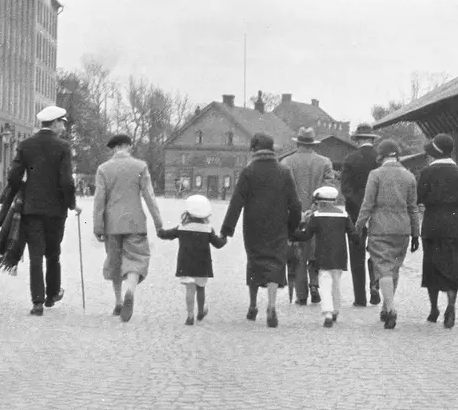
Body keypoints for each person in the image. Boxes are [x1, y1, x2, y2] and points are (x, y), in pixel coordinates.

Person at [1, 105, 80, 316]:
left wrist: (23, 191)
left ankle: (37, 302)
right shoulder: (63, 147)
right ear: (54, 123)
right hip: (56, 211)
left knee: (35, 254)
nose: (63, 127)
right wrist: (71, 203)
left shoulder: (26, 145)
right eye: (62, 123)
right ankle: (52, 294)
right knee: (53, 253)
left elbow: (13, 175)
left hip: (31, 208)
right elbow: (66, 180)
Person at [220, 132, 302, 328]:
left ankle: (253, 305)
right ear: (272, 149)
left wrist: (226, 231)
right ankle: (272, 305)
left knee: (254, 262)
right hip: (278, 224)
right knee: (275, 262)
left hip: (253, 225)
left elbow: (236, 203)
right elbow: (296, 204)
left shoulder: (248, 172)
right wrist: (292, 228)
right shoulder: (284, 172)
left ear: (253, 149)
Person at [92, 132, 165, 322]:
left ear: (114, 148)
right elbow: (149, 196)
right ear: (128, 146)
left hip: (112, 224)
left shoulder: (103, 169)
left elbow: (99, 200)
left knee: (114, 261)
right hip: (135, 221)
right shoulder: (140, 166)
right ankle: (130, 292)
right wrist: (158, 223)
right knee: (136, 259)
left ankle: (117, 302)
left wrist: (98, 227)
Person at [355, 139, 420, 330]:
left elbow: (367, 205)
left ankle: (390, 309)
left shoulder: (375, 175)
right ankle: (385, 307)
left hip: (380, 228)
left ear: (380, 156)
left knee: (383, 268)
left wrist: (358, 228)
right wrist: (416, 233)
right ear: (398, 155)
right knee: (394, 269)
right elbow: (413, 208)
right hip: (403, 230)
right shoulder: (409, 177)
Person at [416, 133, 458, 329]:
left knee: (432, 265)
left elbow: (418, 197)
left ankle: (433, 308)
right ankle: (451, 305)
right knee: (453, 266)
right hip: (454, 225)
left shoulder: (426, 172)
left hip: (432, 224)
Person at [280, 127, 336, 305]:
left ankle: (301, 295)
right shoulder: (325, 162)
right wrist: (313, 207)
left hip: (294, 214)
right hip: (319, 212)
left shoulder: (286, 162)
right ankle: (314, 284)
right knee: (315, 251)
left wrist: (297, 211)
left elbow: (284, 192)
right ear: (313, 143)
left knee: (298, 255)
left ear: (298, 142)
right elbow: (329, 189)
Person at [156, 194, 228, 325]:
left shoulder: (182, 228)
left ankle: (190, 315)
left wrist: (159, 230)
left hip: (186, 263)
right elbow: (218, 244)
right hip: (202, 265)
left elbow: (165, 235)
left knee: (190, 290)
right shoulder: (208, 229)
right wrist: (224, 237)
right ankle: (200, 311)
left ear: (187, 213)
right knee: (201, 288)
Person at [290, 185, 353, 328]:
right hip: (340, 256)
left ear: (321, 202)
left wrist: (292, 233)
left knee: (325, 282)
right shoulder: (343, 215)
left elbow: (306, 236)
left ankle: (328, 312)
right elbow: (353, 234)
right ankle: (336, 310)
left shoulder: (316, 216)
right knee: (336, 282)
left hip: (323, 255)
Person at [339, 121, 381, 308]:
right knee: (379, 252)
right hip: (378, 213)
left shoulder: (350, 159)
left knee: (356, 256)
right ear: (371, 139)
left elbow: (345, 188)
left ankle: (360, 298)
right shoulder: (380, 158)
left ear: (357, 140)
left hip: (355, 214)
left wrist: (359, 205)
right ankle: (375, 284)